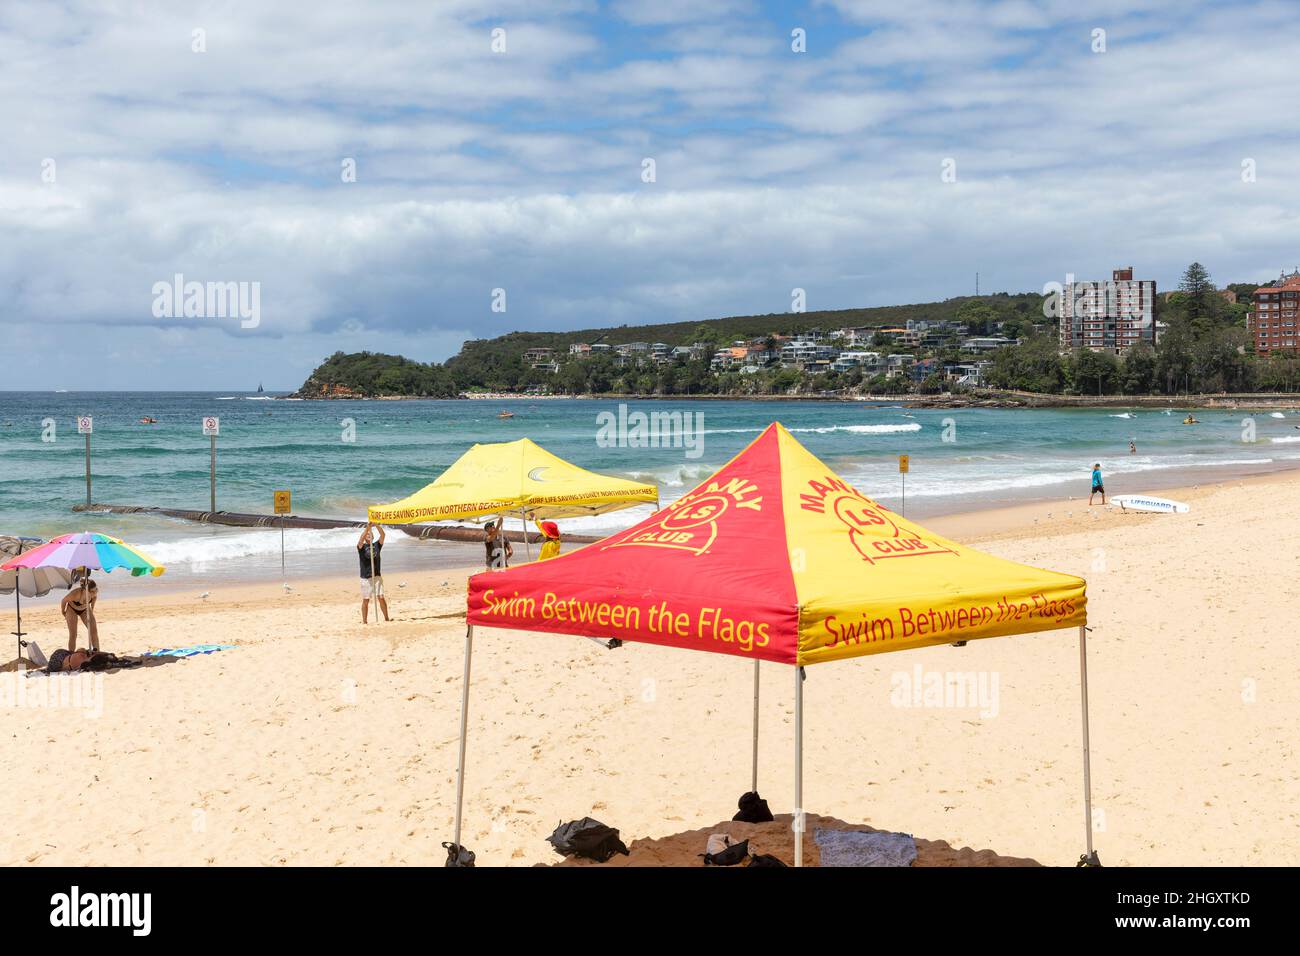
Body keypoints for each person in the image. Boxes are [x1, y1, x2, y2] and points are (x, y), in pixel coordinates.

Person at [357, 523, 389, 623]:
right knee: (366, 600)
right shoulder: (361, 547)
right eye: (367, 534)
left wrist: (377, 525)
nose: (368, 535)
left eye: (370, 534)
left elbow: (383, 535)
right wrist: (368, 528)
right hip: (366, 578)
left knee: (381, 597)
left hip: (377, 577)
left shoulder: (377, 545)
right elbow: (361, 540)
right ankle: (364, 621)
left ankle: (387, 618)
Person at [60, 572, 99, 652]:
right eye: (92, 591)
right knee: (73, 634)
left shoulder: (94, 595)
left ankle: (97, 652)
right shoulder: (75, 594)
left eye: (96, 590)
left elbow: (92, 604)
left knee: (93, 631)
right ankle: (71, 654)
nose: (95, 593)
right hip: (72, 609)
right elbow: (63, 600)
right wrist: (63, 611)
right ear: (85, 590)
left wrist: (91, 611)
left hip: (85, 609)